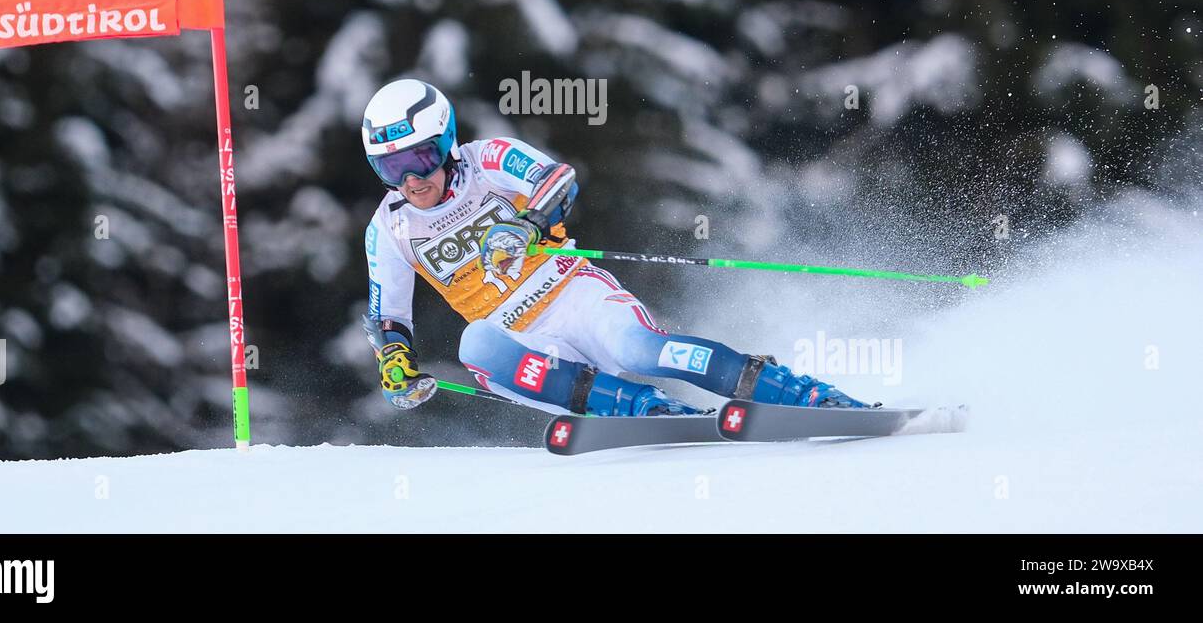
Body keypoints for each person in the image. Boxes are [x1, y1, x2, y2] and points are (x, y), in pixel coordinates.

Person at [361, 78, 867, 416]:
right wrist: (395, 360)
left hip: (569, 293)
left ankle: (803, 395)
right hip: (521, 344)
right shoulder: (389, 228)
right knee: (475, 344)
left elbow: (558, 180)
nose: (410, 179)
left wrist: (528, 226)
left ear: (446, 141)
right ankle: (643, 410)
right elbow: (390, 318)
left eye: (420, 158)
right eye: (390, 168)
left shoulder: (488, 157)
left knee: (641, 350)